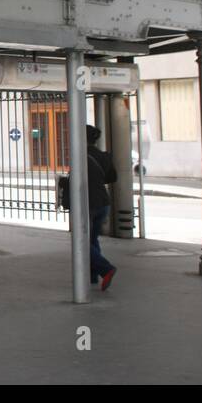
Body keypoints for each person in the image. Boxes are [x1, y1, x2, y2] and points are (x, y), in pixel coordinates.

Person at [86, 125, 118, 291]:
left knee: (82, 241)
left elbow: (79, 180)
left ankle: (106, 269)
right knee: (92, 239)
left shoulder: (82, 156)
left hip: (88, 203)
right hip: (103, 203)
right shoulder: (102, 155)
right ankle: (92, 276)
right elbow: (111, 177)